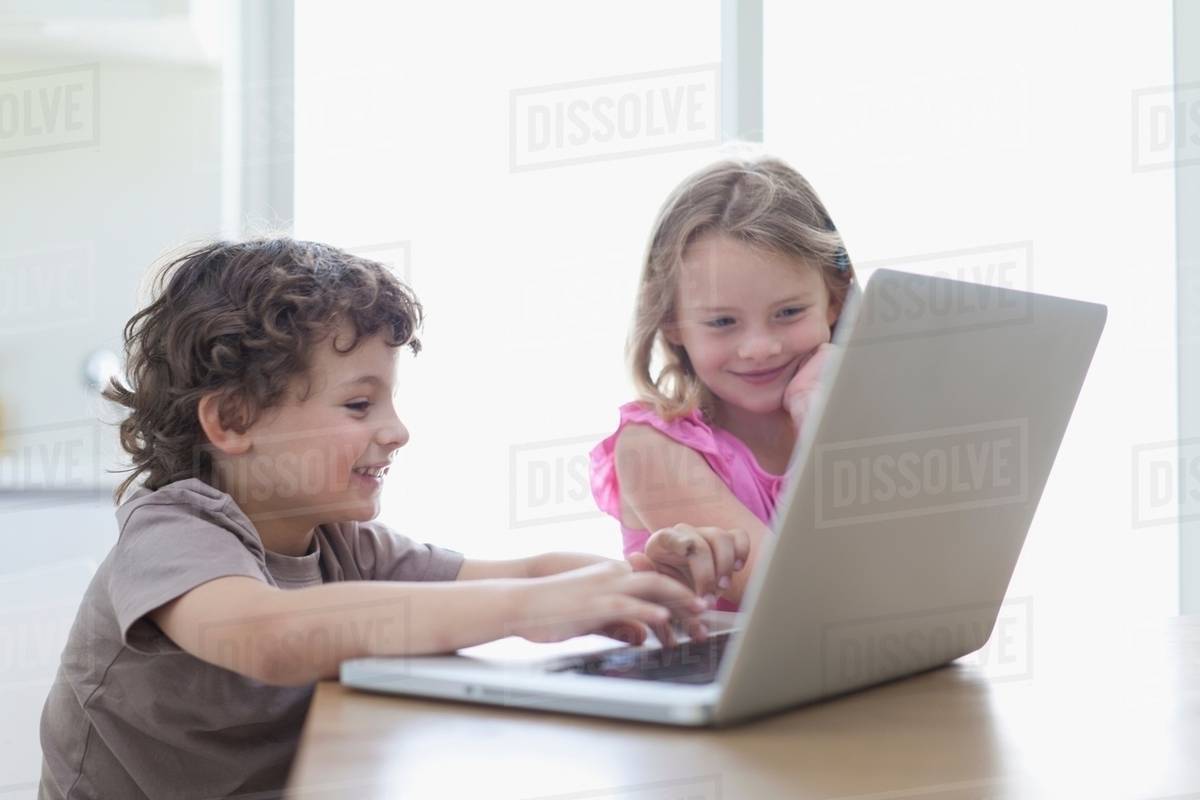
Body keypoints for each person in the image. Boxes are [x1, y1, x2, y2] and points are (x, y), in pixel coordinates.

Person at [37, 238, 747, 799]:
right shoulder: (172, 528)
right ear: (231, 419)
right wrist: (537, 606)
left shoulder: (343, 547)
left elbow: (518, 573)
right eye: (359, 405)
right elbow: (265, 636)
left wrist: (639, 574)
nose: (397, 430)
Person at [590, 157, 857, 611]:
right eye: (722, 322)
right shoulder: (653, 449)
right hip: (720, 679)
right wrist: (824, 433)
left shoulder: (864, 411)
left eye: (789, 312)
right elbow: (798, 603)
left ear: (833, 300)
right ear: (672, 322)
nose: (759, 347)